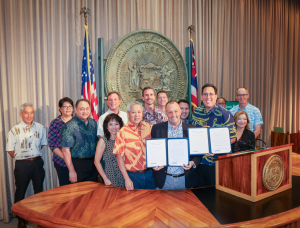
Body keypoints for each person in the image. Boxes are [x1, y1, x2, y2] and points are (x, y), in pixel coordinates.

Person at [6, 103, 47, 228]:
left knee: (39, 191)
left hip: (37, 163)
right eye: (26, 112)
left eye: (31, 112)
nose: (29, 115)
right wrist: (23, 158)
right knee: (20, 191)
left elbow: (41, 145)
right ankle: (21, 219)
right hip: (22, 165)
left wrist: (32, 155)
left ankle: (39, 217)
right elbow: (10, 150)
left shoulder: (41, 128)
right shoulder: (14, 130)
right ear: (21, 114)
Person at [191, 83, 236, 187]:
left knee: (213, 196)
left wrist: (215, 149)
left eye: (211, 94)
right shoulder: (197, 111)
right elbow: (192, 133)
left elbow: (233, 138)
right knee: (199, 195)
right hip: (198, 162)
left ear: (216, 96)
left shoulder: (225, 114)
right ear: (202, 97)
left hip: (216, 163)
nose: (208, 97)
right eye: (205, 94)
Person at [151, 101, 199, 190]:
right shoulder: (156, 129)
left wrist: (192, 163)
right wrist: (154, 164)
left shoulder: (192, 129)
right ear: (166, 114)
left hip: (185, 179)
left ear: (180, 112)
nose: (173, 114)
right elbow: (153, 151)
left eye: (176, 111)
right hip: (164, 180)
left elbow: (198, 153)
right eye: (170, 112)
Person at [113, 101, 155, 190]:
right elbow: (119, 157)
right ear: (128, 114)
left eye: (139, 112)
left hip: (150, 174)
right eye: (133, 112)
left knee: (152, 202)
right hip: (133, 176)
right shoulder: (122, 132)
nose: (137, 115)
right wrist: (126, 178)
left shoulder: (149, 127)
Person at [61, 99, 99, 183]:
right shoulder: (69, 126)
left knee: (93, 192)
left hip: (93, 163)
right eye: (81, 109)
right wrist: (71, 171)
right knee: (79, 193)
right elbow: (65, 151)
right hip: (78, 165)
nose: (85, 111)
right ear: (76, 110)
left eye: (87, 108)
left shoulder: (93, 123)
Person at [48, 97, 74, 186]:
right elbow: (52, 144)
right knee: (65, 187)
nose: (68, 109)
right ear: (60, 108)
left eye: (70, 106)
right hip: (61, 161)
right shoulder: (55, 123)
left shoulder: (78, 122)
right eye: (65, 106)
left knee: (78, 188)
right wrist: (65, 157)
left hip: (77, 161)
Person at [94, 114, 125, 187]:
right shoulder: (103, 141)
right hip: (111, 177)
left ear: (120, 125)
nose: (114, 127)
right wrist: (105, 178)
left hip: (125, 176)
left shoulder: (123, 140)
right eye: (110, 124)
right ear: (106, 127)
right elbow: (96, 162)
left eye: (116, 124)